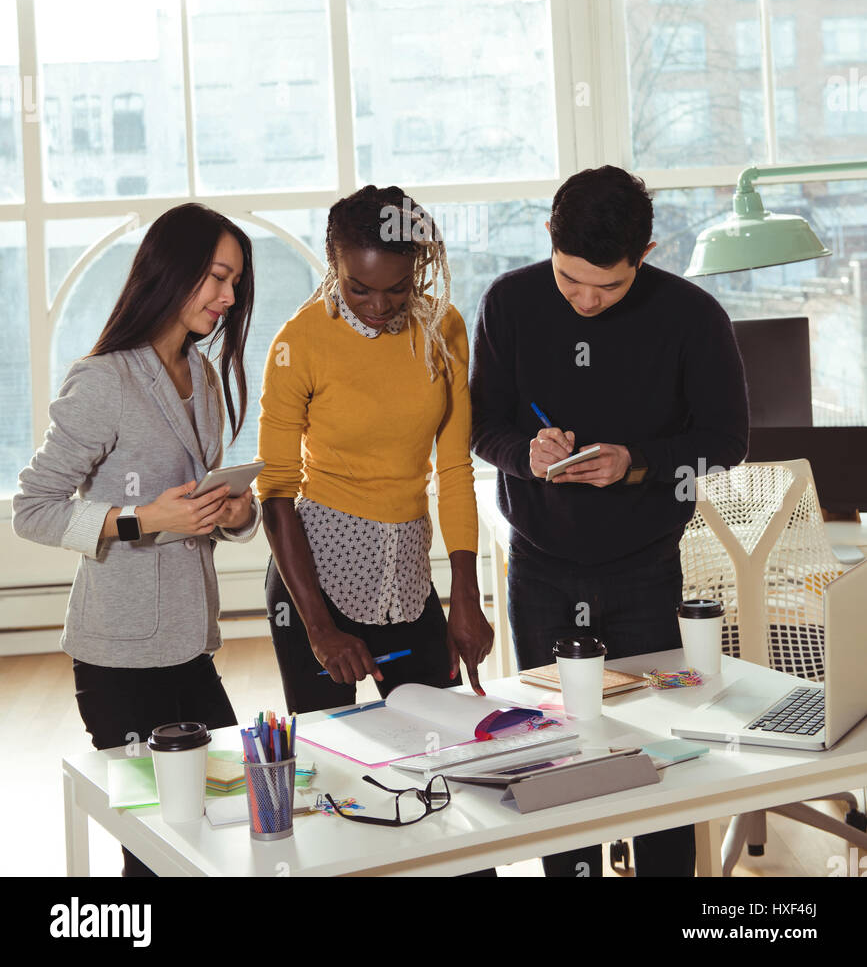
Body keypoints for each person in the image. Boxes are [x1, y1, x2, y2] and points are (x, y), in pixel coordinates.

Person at [469, 165, 749, 878]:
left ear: (645, 253)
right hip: (537, 566)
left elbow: (726, 442)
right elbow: (483, 426)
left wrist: (636, 463)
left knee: (661, 757)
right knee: (554, 760)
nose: (587, 300)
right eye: (570, 282)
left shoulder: (690, 315)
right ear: (547, 241)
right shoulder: (509, 302)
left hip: (646, 567)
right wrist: (525, 455)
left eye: (610, 286)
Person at [13, 203, 261, 878]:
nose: (227, 297)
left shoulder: (202, 376)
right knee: (158, 849)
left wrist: (234, 509)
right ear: (170, 271)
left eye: (235, 283)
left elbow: (203, 506)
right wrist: (144, 519)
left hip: (189, 643)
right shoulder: (105, 381)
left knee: (212, 828)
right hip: (119, 657)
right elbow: (32, 510)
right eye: (216, 277)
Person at [257, 184, 494, 717]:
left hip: (410, 576)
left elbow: (455, 469)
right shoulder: (299, 343)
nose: (380, 306)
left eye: (398, 288)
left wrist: (465, 595)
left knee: (440, 741)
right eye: (359, 289)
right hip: (314, 580)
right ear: (333, 263)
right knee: (330, 752)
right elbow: (275, 491)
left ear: (419, 268)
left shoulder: (444, 328)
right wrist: (318, 628)